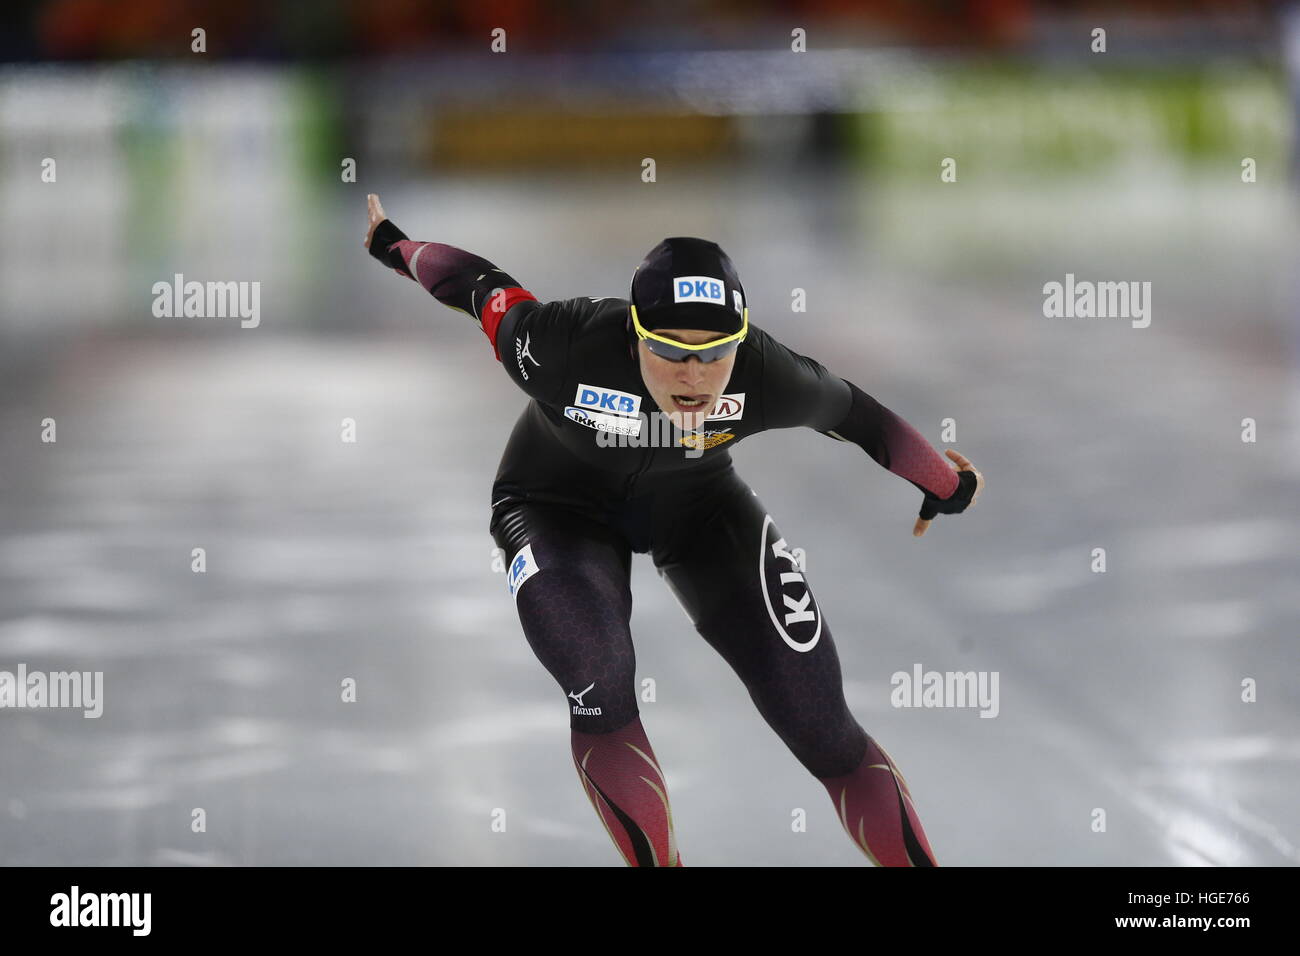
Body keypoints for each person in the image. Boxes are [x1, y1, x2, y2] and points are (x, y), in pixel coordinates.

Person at [364, 193, 983, 867]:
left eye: (713, 355)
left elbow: (860, 416)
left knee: (822, 726)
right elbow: (474, 283)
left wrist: (946, 485)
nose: (693, 378)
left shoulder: (766, 373)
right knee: (597, 675)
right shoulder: (559, 344)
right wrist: (392, 243)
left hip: (699, 509)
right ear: (634, 335)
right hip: (554, 507)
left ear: (740, 343)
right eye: (670, 352)